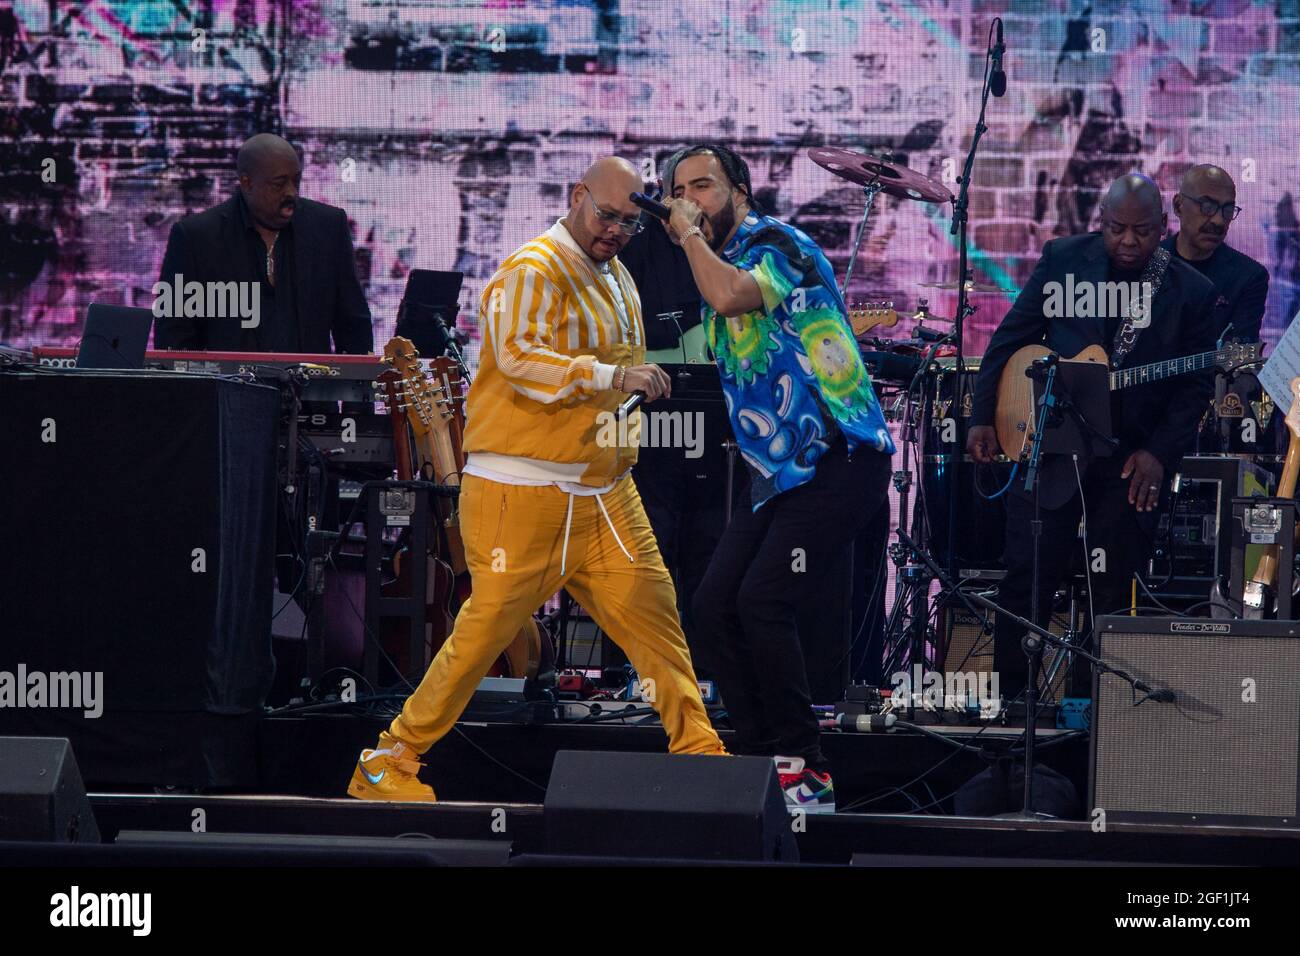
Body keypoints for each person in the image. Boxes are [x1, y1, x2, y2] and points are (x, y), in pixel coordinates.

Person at [348, 157, 726, 801]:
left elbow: (616, 369)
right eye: (607, 215)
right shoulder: (531, 268)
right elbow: (521, 359)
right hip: (521, 492)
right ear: (577, 196)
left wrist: (629, 392)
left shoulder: (618, 276)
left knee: (659, 626)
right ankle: (387, 762)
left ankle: (702, 757)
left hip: (605, 491)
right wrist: (614, 379)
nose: (616, 230)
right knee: (481, 637)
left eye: (630, 223)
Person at [664, 144, 896, 814]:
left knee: (763, 601)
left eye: (702, 187)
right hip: (779, 471)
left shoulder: (777, 245)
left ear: (739, 189)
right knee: (710, 608)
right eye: (678, 190)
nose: (688, 201)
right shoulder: (718, 258)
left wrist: (685, 235)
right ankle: (759, 758)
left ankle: (807, 768)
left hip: (841, 456)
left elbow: (731, 295)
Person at [967, 173, 1217, 701]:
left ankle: (1093, 717)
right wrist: (982, 416)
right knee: (1025, 584)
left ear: (1164, 227)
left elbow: (1194, 388)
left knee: (1110, 590)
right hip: (1053, 450)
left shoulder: (1193, 293)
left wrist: (1159, 455)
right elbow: (1008, 339)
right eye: (1117, 229)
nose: (1129, 242)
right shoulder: (1062, 261)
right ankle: (1012, 712)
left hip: (1130, 461)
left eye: (1143, 232)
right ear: (1099, 222)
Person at [155, 133, 373, 354]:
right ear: (247, 183)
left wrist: (352, 386)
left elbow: (354, 326)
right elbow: (173, 339)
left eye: (295, 181)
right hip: (225, 387)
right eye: (279, 184)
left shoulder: (328, 227)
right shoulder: (196, 237)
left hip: (314, 387)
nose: (291, 192)